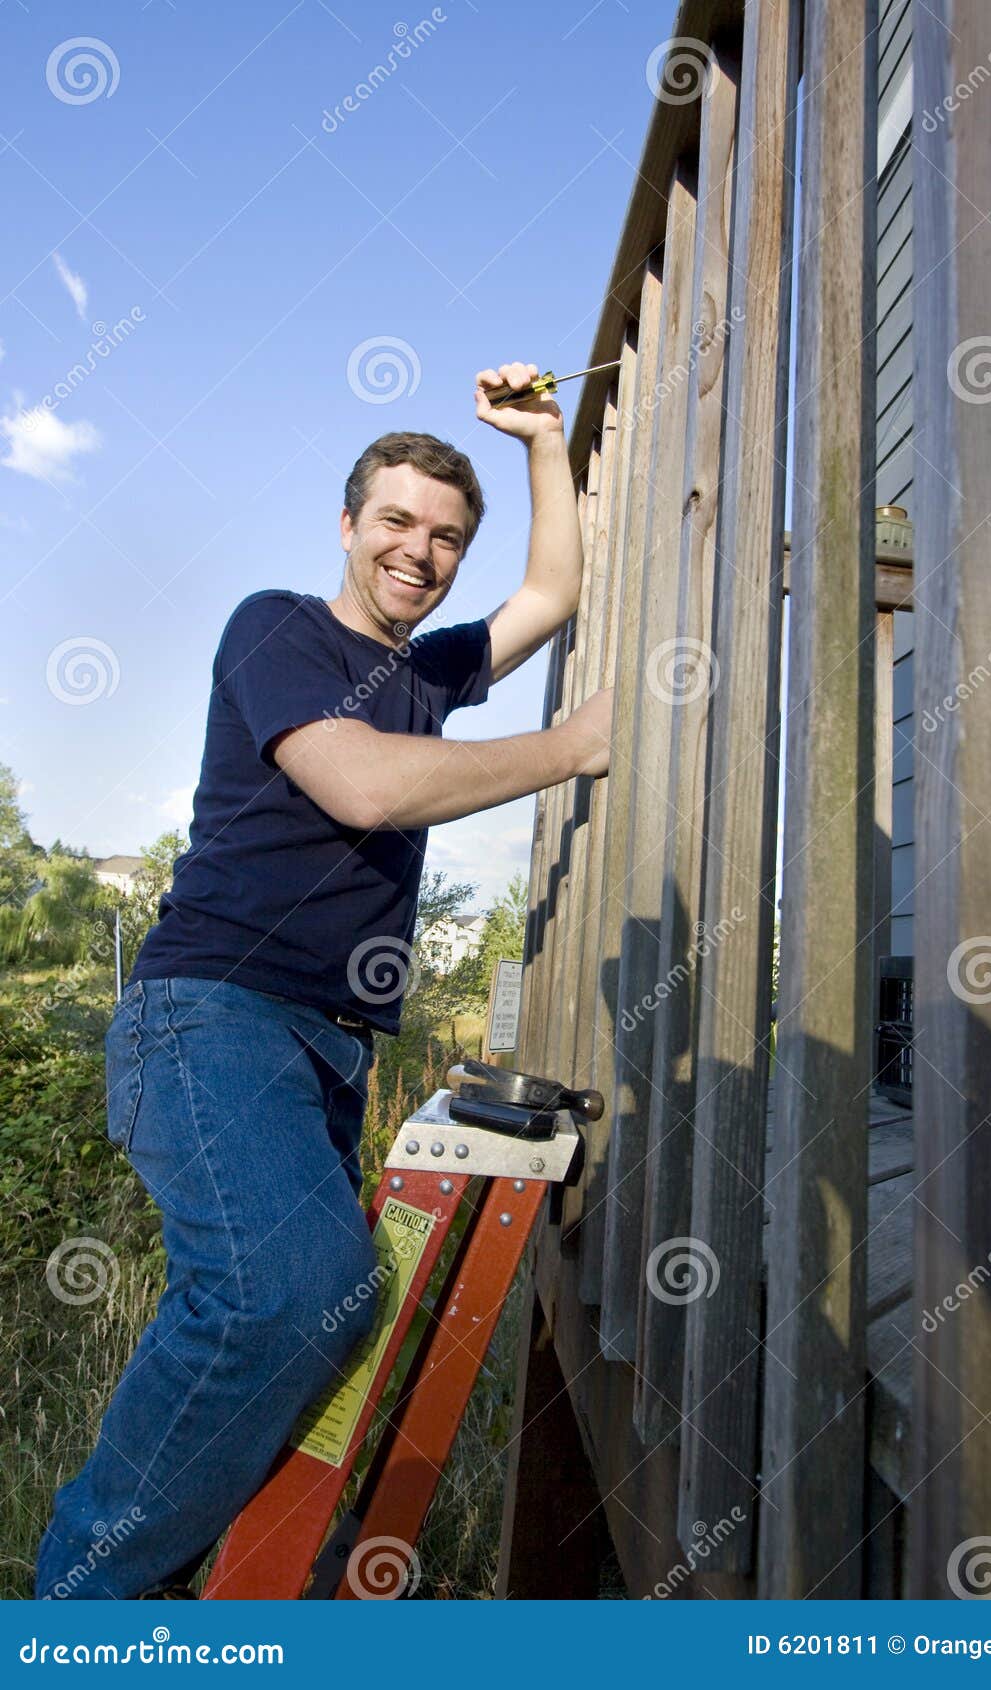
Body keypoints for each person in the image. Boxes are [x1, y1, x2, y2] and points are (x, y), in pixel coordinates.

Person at [35, 362, 613, 1599]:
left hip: (325, 1045)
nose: (421, 551)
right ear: (347, 525)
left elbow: (553, 590)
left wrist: (541, 439)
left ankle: (212, 1587)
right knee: (293, 1289)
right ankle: (80, 1609)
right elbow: (362, 784)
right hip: (211, 1014)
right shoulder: (279, 628)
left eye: (447, 537)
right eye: (397, 521)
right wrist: (565, 749)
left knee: (306, 1315)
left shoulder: (429, 672)